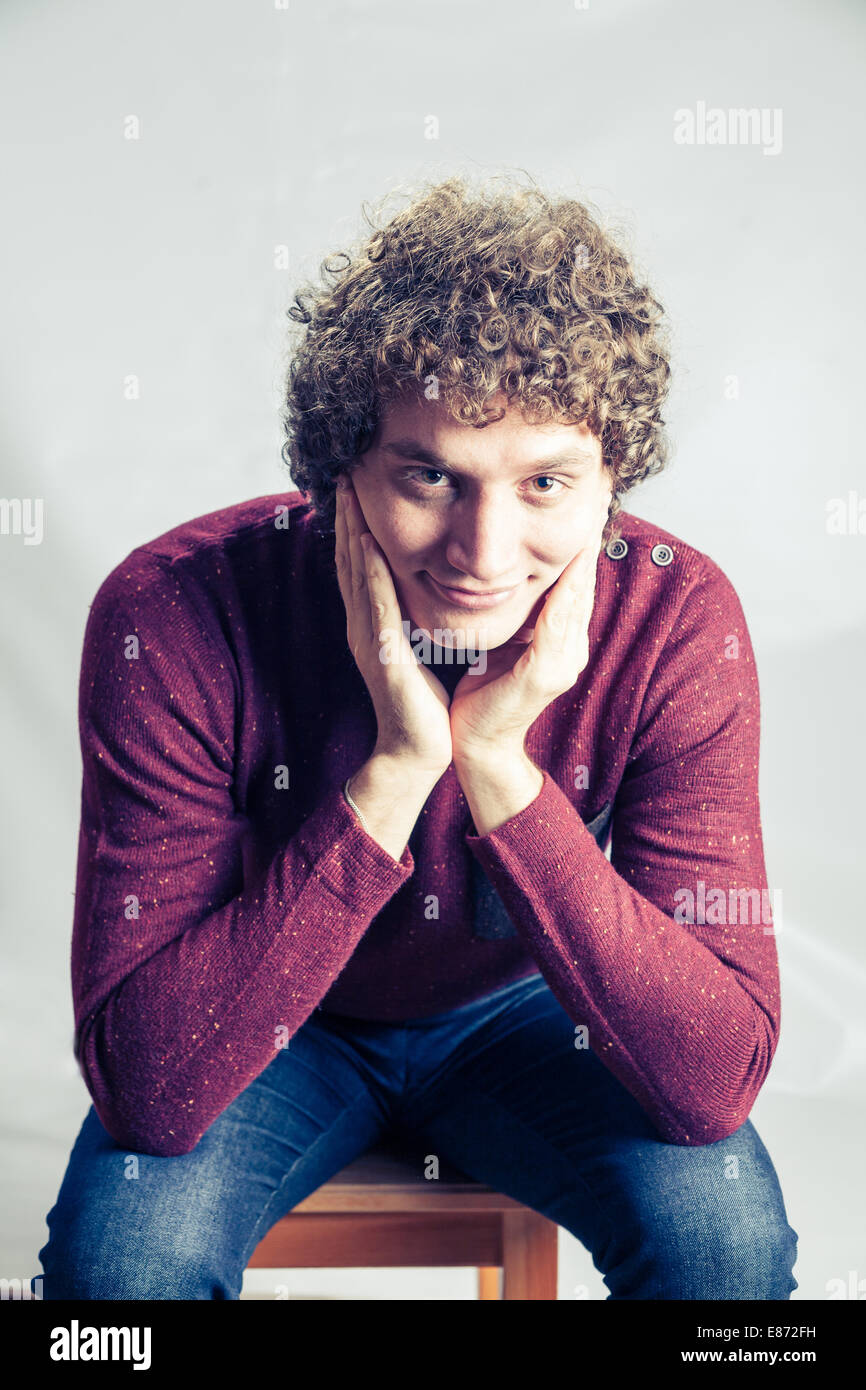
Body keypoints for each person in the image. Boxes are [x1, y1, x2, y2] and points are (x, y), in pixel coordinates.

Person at [35, 175, 798, 1299]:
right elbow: (146, 1088)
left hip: (536, 1013)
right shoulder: (173, 611)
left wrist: (495, 765)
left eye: (545, 482)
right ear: (337, 468)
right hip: (272, 1016)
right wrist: (399, 767)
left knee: (724, 1247)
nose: (483, 551)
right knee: (118, 1267)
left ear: (607, 489)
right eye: (429, 476)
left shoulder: (679, 620)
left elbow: (710, 1082)